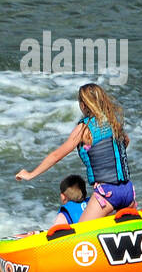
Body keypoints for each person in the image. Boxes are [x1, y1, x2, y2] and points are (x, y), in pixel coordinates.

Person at [15, 83, 135, 222]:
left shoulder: (84, 129)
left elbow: (55, 156)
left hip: (107, 194)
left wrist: (30, 174)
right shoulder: (114, 122)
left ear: (83, 105)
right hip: (127, 191)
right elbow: (125, 142)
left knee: (81, 233)